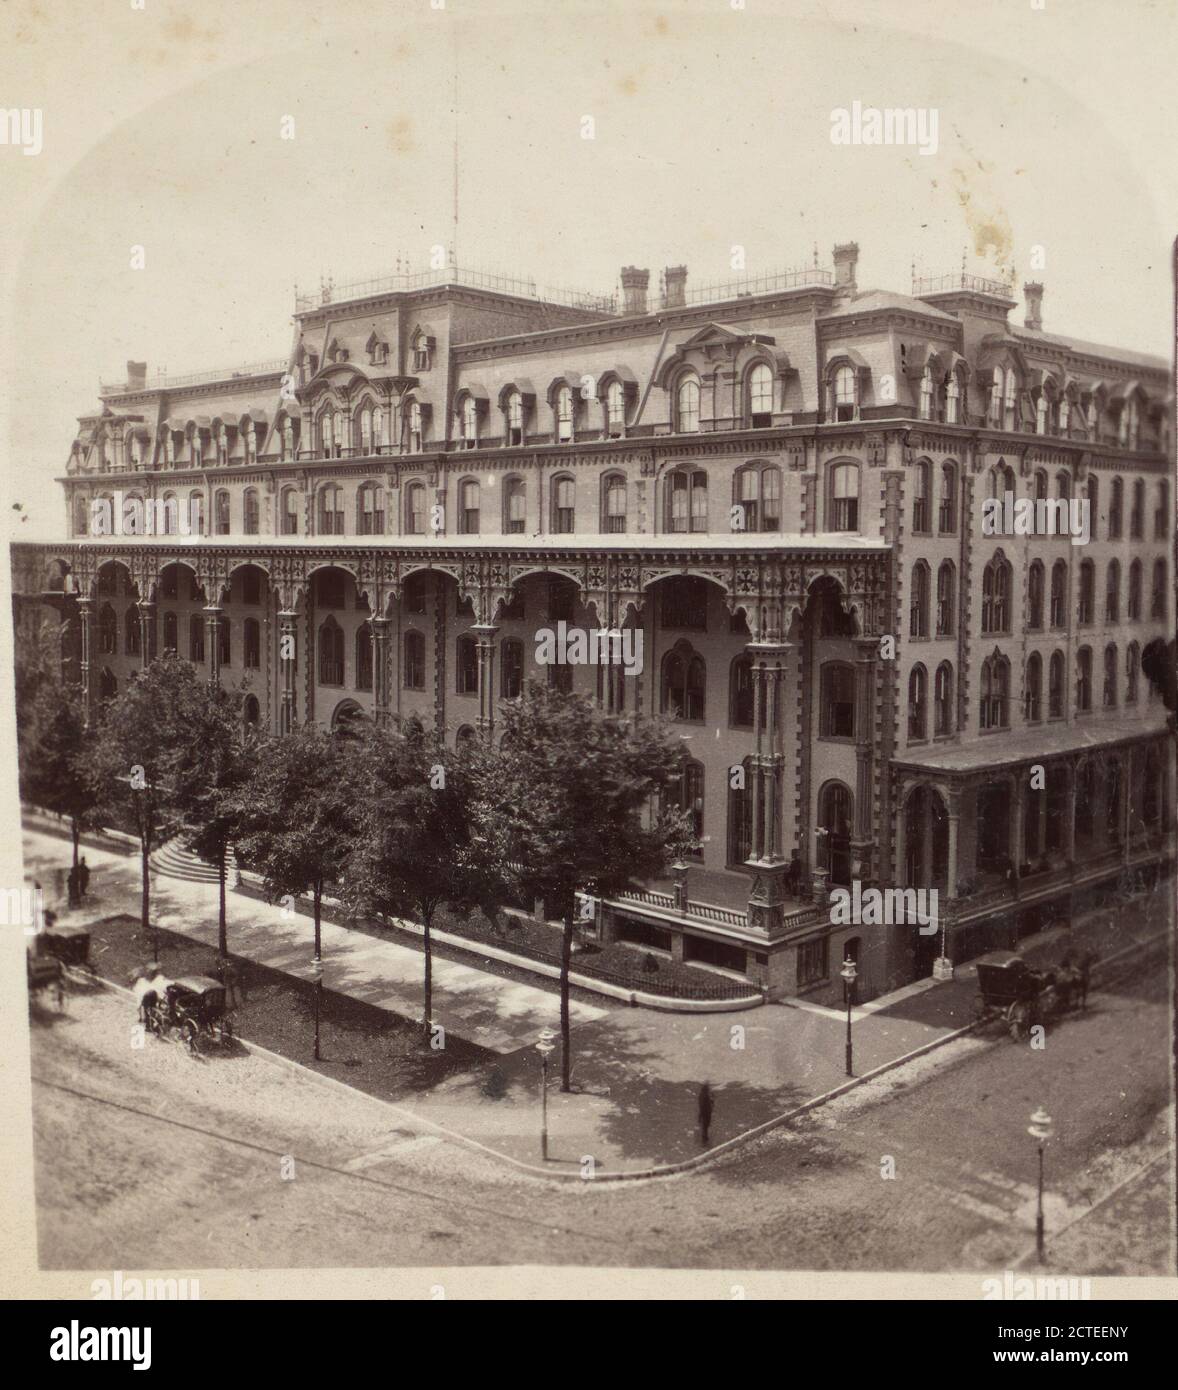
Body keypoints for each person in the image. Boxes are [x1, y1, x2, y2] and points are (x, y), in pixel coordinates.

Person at [698, 1081, 714, 1147]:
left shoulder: (702, 1095)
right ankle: (704, 1140)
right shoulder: (705, 1096)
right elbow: (705, 1105)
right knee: (705, 1126)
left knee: (705, 1126)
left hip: (706, 1112)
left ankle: (705, 1139)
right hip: (706, 1112)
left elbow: (702, 1105)